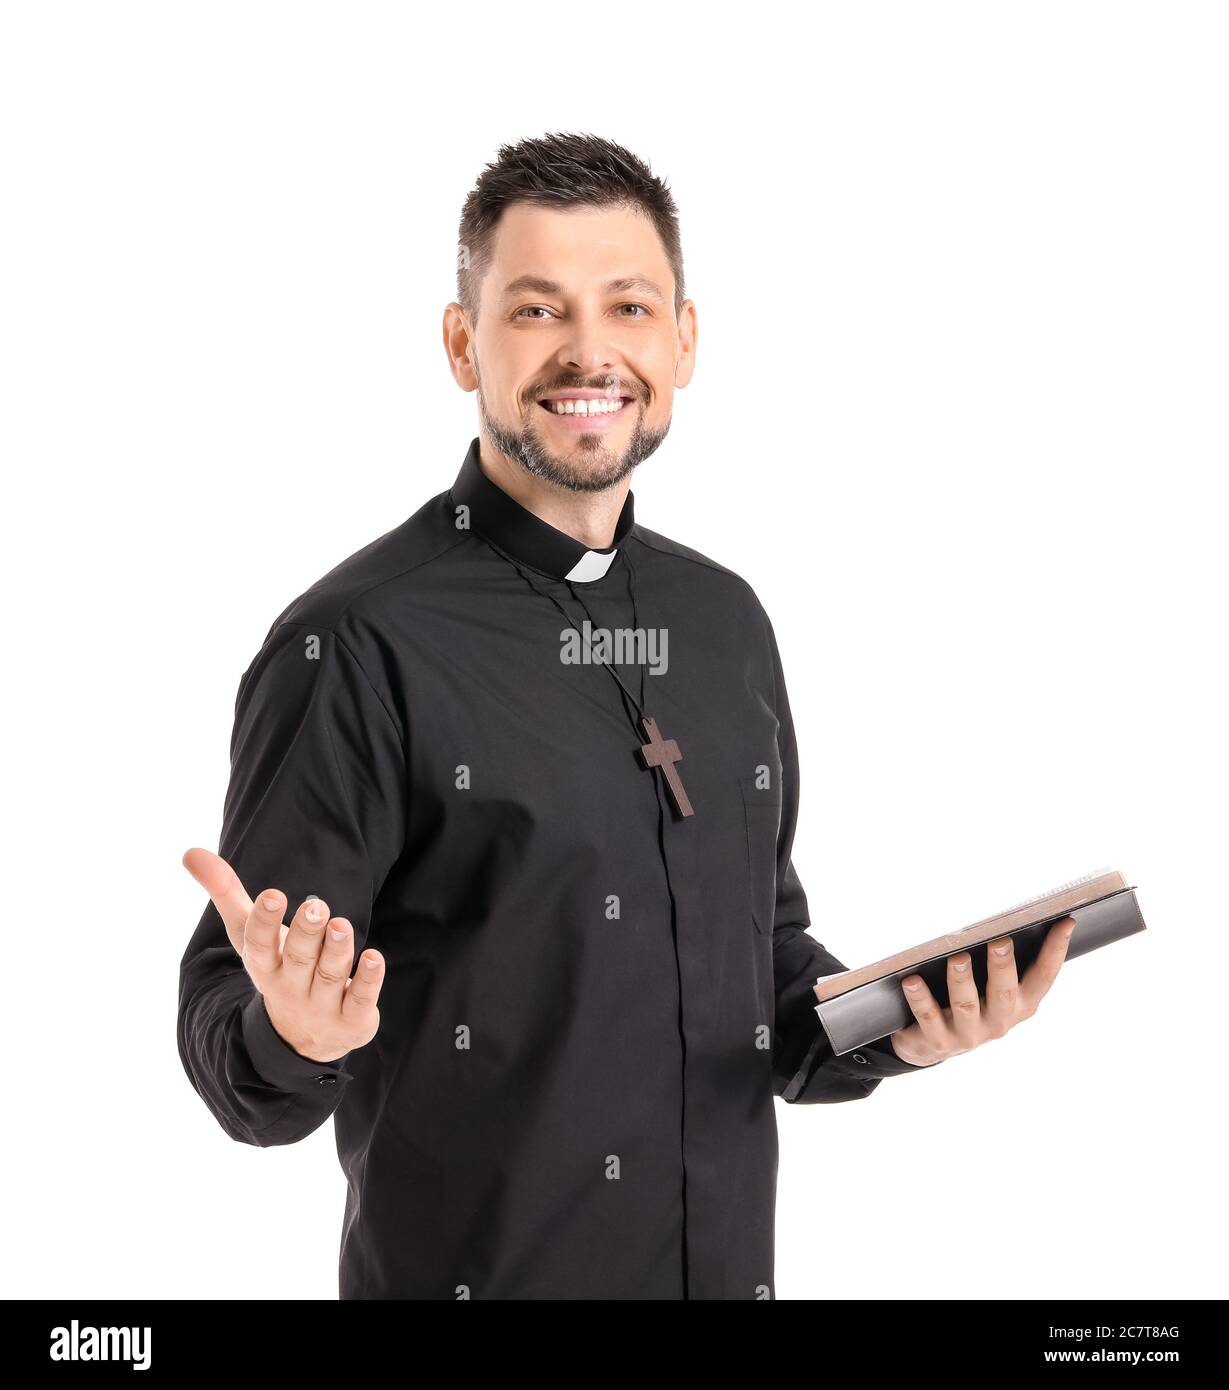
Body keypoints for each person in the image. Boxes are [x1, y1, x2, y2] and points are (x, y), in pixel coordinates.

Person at [178, 132, 1076, 1300]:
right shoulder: (352, 644)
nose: (590, 353)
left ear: (684, 340)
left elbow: (759, 975)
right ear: (463, 344)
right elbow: (233, 1040)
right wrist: (292, 1029)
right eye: (537, 311)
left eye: (629, 307)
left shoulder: (724, 622)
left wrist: (902, 1024)